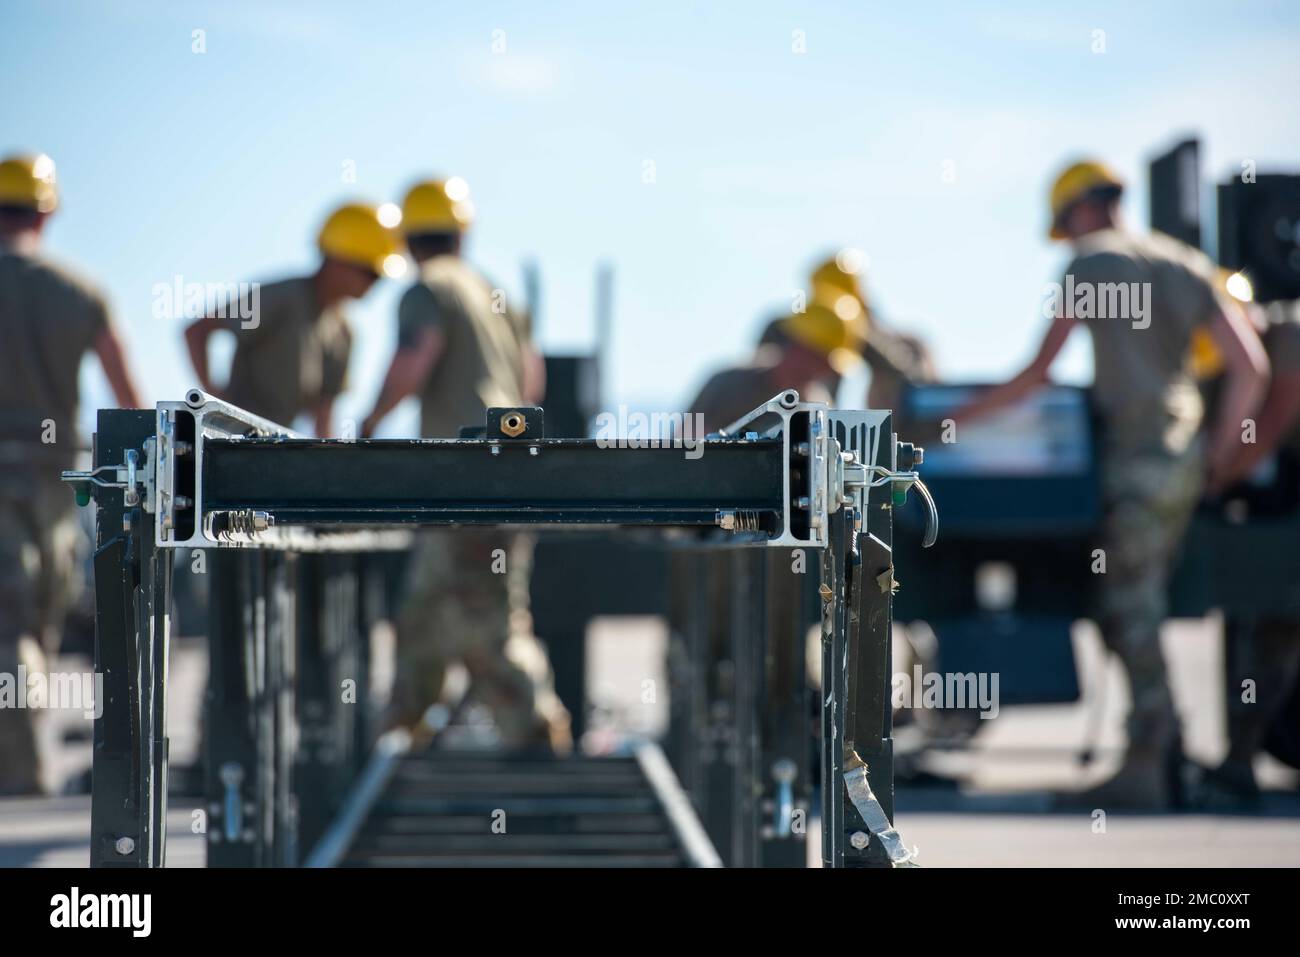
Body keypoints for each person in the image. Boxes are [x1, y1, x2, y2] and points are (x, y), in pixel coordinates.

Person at [952, 159, 1270, 808]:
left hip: (1137, 458)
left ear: (1080, 212)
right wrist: (1219, 452)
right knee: (1134, 599)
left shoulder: (1091, 263)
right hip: (1178, 456)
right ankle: (1160, 750)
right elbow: (1251, 365)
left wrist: (955, 420)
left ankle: (1153, 758)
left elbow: (1038, 373)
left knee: (1129, 604)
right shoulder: (1183, 263)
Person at [360, 176, 568, 752]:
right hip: (504, 473)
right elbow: (532, 380)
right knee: (431, 612)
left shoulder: (427, 287)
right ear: (461, 235)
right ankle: (404, 727)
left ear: (408, 239)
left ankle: (534, 733)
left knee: (489, 625)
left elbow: (414, 357)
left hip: (461, 477)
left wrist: (370, 426)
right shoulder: (492, 290)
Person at [0, 152, 142, 794]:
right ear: (48, 210)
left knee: (10, 630)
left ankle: (19, 775)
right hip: (54, 482)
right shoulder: (80, 291)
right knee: (32, 626)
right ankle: (21, 775)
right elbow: (130, 404)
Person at [1200, 295, 1300, 803]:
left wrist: (1217, 477)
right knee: (1275, 632)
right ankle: (1238, 763)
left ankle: (1239, 762)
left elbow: (1272, 419)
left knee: (1277, 634)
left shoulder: (1292, 335)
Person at [184, 202, 400, 434]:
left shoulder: (344, 333)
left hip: (276, 448)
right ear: (338, 259)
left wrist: (328, 460)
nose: (374, 284)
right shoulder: (281, 298)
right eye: (370, 273)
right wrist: (216, 403)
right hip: (233, 443)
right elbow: (198, 330)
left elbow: (323, 412)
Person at [688, 301, 862, 434]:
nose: (823, 371)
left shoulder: (817, 407)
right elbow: (687, 448)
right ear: (798, 347)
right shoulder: (728, 385)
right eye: (820, 360)